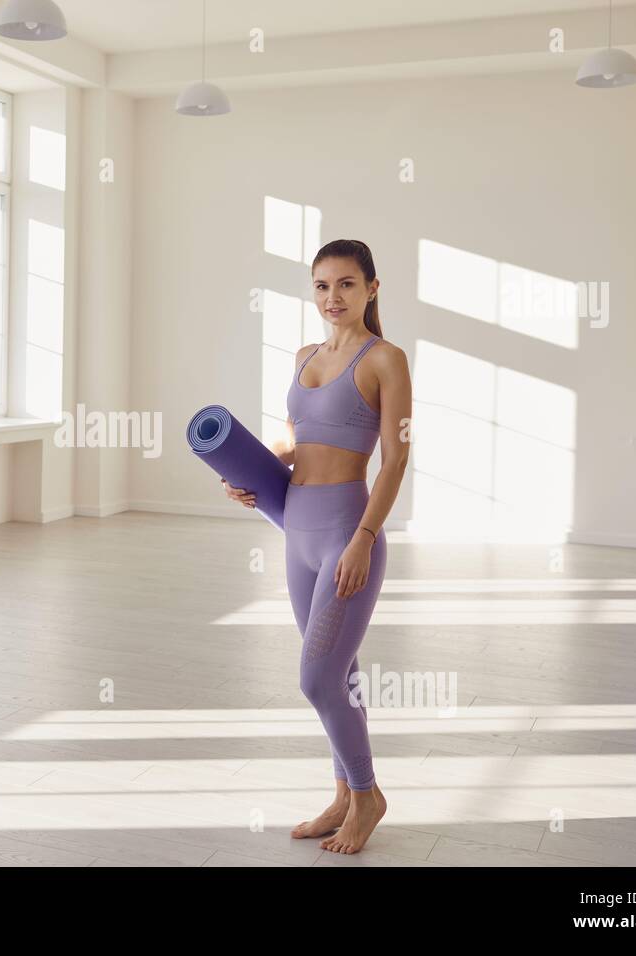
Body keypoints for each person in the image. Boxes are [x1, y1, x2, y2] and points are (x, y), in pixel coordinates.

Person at [223, 239, 412, 854]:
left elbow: (395, 459)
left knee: (317, 677)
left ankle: (368, 796)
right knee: (342, 674)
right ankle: (341, 796)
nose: (334, 297)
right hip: (294, 527)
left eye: (348, 285)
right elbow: (294, 441)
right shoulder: (304, 356)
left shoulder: (386, 359)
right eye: (323, 286)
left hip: (344, 531)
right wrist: (250, 476)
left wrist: (364, 538)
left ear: (372, 289)